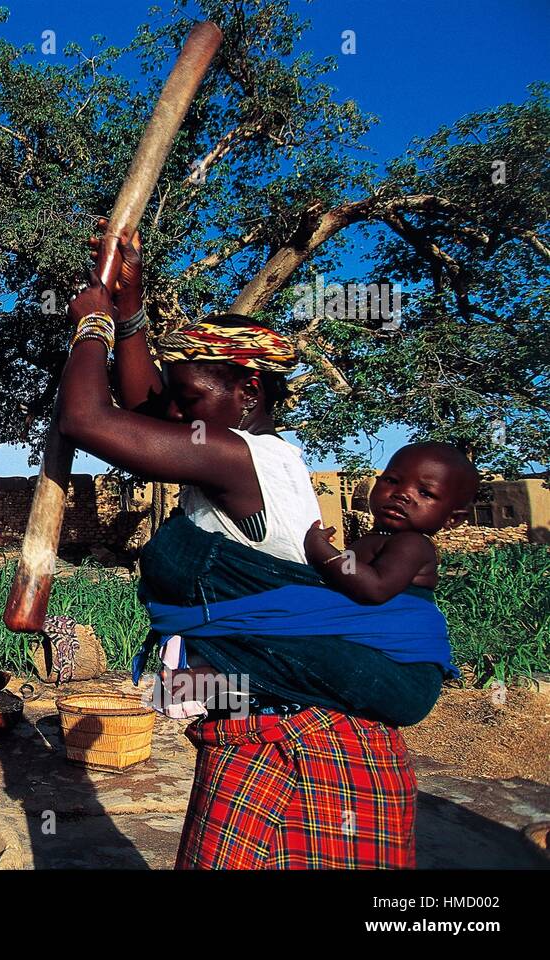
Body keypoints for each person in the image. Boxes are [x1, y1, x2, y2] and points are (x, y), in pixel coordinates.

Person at [56, 226, 428, 868]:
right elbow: (149, 404)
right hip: (264, 727)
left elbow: (88, 420)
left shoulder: (238, 459)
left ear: (249, 393)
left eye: (192, 400)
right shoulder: (250, 454)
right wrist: (128, 309)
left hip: (310, 737)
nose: (176, 416)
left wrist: (89, 330)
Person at [305, 442, 479, 603]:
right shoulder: (377, 538)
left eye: (425, 493)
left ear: (453, 518)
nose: (402, 494)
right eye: (392, 481)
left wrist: (323, 552)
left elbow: (375, 588)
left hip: (392, 630)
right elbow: (348, 573)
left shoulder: (412, 544)